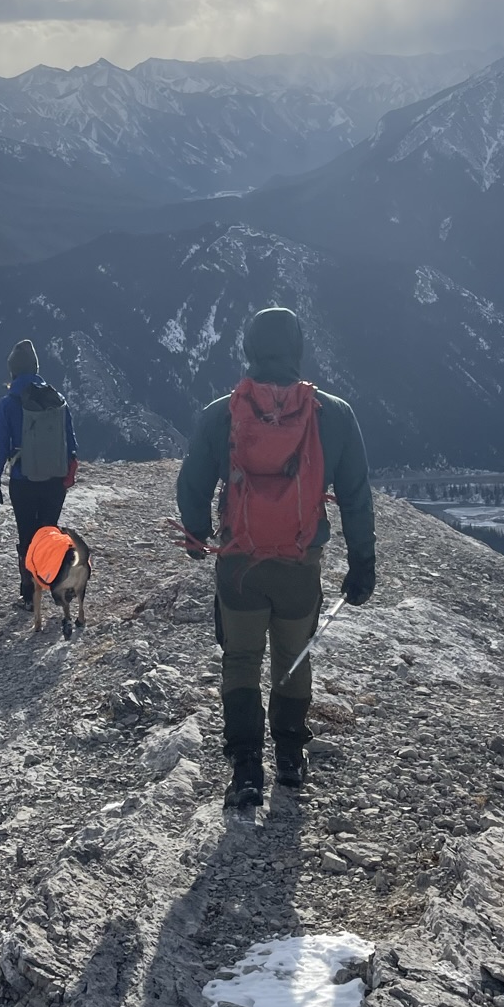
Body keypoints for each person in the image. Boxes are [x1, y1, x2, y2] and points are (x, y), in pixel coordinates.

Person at [175, 306, 375, 809]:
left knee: (240, 659)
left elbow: (191, 485)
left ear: (248, 349)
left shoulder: (221, 414)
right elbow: (356, 496)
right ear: (299, 349)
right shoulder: (334, 415)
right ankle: (288, 759)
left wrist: (199, 537)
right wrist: (362, 564)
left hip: (239, 564)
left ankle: (245, 769)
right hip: (299, 564)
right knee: (292, 657)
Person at [0, 339, 79, 607]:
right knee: (50, 533)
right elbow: (72, 444)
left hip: (23, 481)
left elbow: (0, 448)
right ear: (36, 368)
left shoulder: (8, 404)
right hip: (54, 481)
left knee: (28, 536)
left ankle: (29, 595)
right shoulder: (57, 400)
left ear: (12, 371)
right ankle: (60, 585)